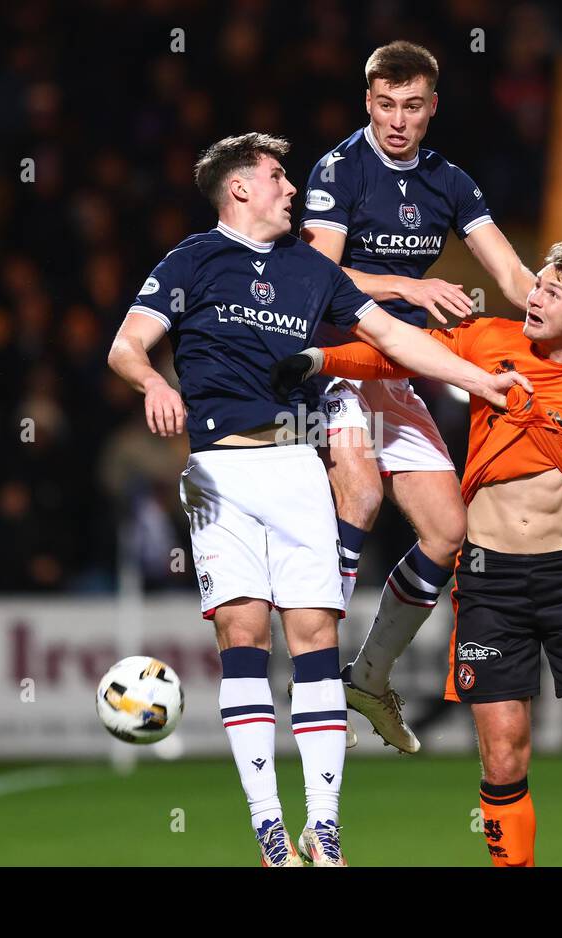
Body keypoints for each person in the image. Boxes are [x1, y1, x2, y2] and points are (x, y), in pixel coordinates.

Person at [109, 133, 528, 867]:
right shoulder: (190, 261)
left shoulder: (309, 268)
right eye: (277, 178)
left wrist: (477, 378)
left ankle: (324, 830)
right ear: (240, 190)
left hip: (299, 467)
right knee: (243, 637)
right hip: (219, 474)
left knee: (313, 642)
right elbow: (126, 345)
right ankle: (270, 829)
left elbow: (395, 336)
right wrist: (153, 383)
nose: (292, 191)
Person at [270, 243, 562, 866]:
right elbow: (392, 355)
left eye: (553, 292)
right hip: (489, 580)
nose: (533, 295)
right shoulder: (484, 340)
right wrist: (320, 357)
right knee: (504, 752)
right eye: (538, 285)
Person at [299, 40, 540, 753]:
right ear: (366, 101)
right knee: (364, 496)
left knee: (447, 531)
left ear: (432, 106)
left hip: (396, 370)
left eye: (411, 106)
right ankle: (313, 672)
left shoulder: (450, 182)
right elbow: (317, 278)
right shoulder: (339, 169)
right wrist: (410, 285)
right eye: (384, 105)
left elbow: (513, 273)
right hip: (333, 361)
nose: (397, 121)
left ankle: (366, 676)